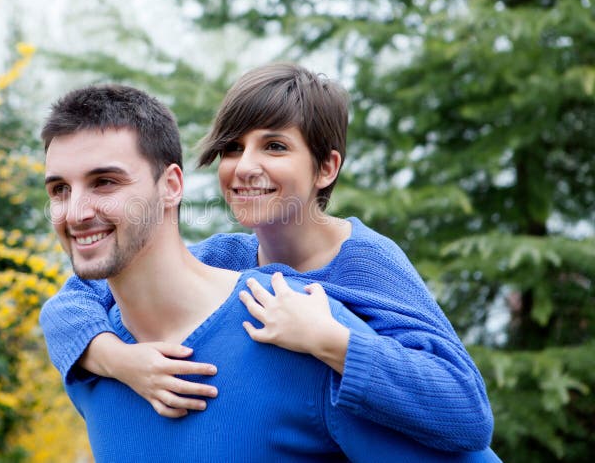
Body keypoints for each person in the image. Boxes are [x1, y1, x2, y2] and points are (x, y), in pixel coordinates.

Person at [40, 64, 494, 452]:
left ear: (327, 168)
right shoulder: (227, 255)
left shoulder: (366, 263)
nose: (244, 166)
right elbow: (71, 301)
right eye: (233, 148)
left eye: (274, 146)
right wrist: (119, 359)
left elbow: (467, 411)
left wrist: (329, 340)